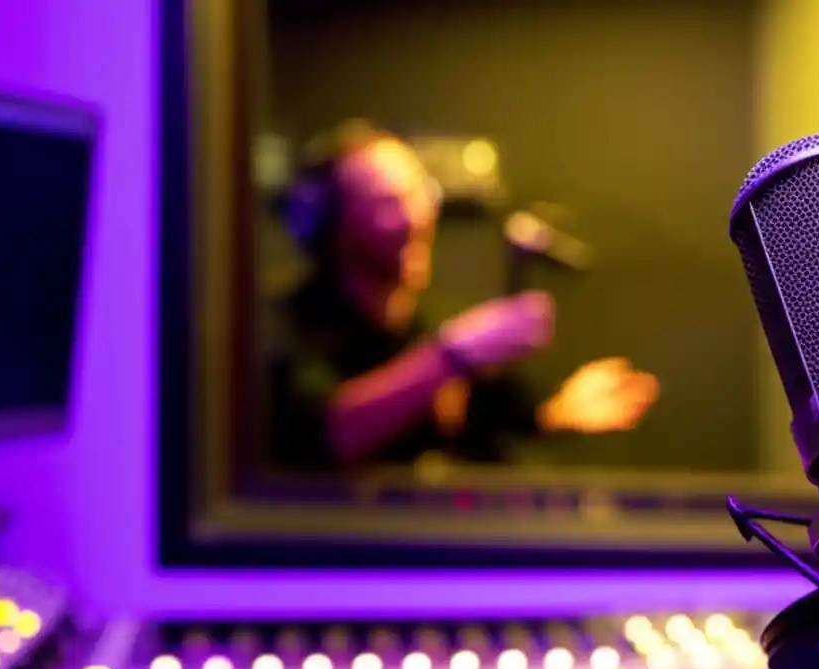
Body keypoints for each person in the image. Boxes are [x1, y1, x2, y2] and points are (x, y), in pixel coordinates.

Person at [268, 120, 658, 470]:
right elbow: (328, 435)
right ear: (328, 221)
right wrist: (452, 356)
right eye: (387, 203)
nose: (415, 217)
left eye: (420, 195)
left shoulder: (437, 321)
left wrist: (557, 419)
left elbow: (484, 442)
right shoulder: (283, 326)